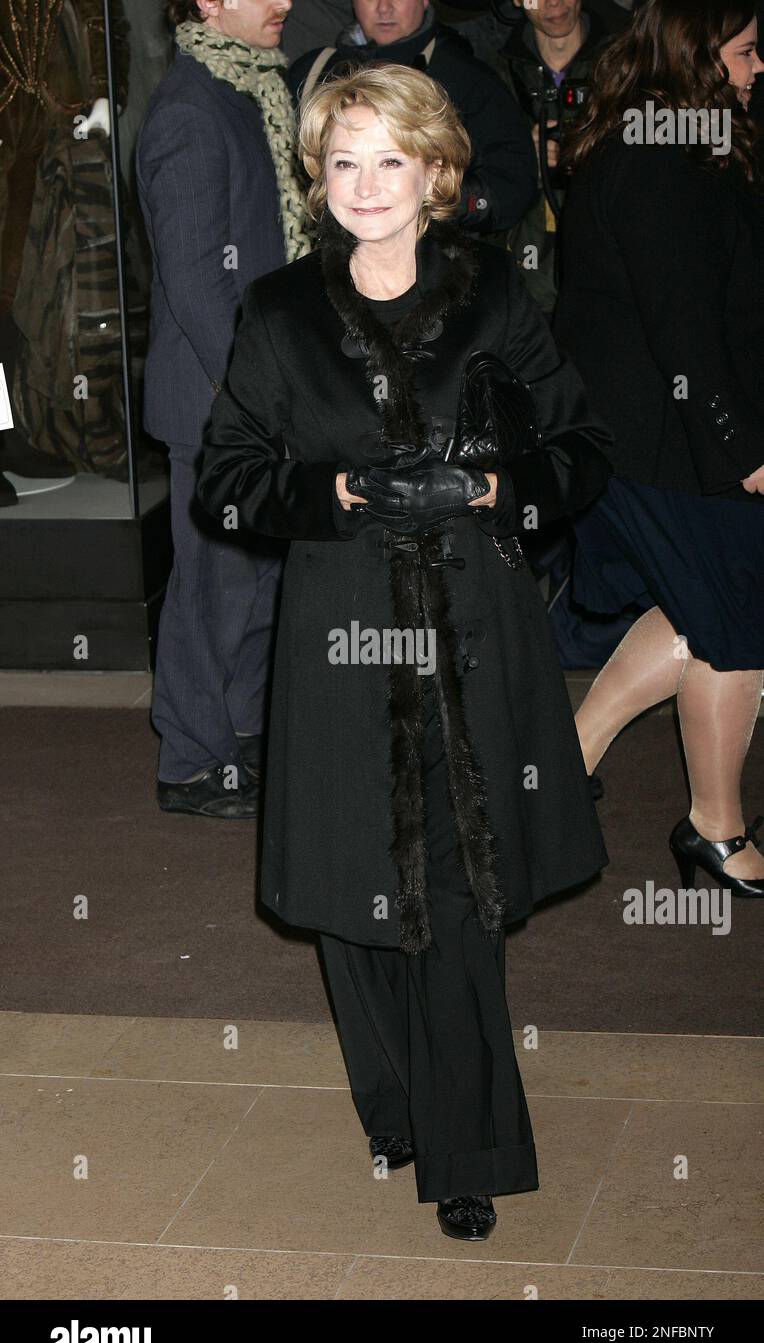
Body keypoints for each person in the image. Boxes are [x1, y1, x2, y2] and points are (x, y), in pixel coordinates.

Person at [195, 63, 612, 1239]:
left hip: (475, 634)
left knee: (454, 886)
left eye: (391, 160)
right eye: (343, 161)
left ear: (434, 173)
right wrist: (329, 490)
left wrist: (488, 485)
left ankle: (468, 1146)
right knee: (349, 892)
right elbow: (223, 486)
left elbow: (582, 448)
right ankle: (396, 1105)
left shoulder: (492, 298)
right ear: (316, 177)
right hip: (337, 642)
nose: (367, 185)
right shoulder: (278, 313)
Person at [554, 0, 764, 898]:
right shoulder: (656, 154)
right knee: (737, 622)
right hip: (659, 439)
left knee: (698, 608)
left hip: (664, 433)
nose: (761, 66)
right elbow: (684, 330)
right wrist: (743, 450)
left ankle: (560, 764)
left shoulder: (685, 137)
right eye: (750, 49)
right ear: (699, 51)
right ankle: (715, 831)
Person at [136, 0, 312, 817]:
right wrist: (253, 396)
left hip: (251, 391)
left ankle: (238, 731)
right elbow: (198, 283)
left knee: (255, 584)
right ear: (209, 3)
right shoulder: (191, 109)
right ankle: (192, 761)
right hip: (218, 401)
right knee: (211, 588)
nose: (284, 3)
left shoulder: (248, 91)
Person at [288, 0, 538, 237]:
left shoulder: (467, 78)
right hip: (321, 257)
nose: (384, 7)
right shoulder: (312, 73)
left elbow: (512, 184)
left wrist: (428, 196)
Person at [499, 0, 628, 314]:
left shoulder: (625, 64)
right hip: (527, 286)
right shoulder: (495, 72)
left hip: (609, 278)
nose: (553, 2)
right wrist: (521, 163)